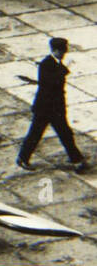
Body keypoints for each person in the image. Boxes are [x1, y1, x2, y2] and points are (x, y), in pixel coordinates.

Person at [18, 37, 88, 173]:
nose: (64, 54)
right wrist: (65, 68)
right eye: (62, 51)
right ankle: (23, 158)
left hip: (55, 108)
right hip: (45, 108)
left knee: (64, 133)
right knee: (36, 134)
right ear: (55, 50)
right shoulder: (45, 64)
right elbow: (51, 83)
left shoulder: (55, 63)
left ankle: (77, 160)